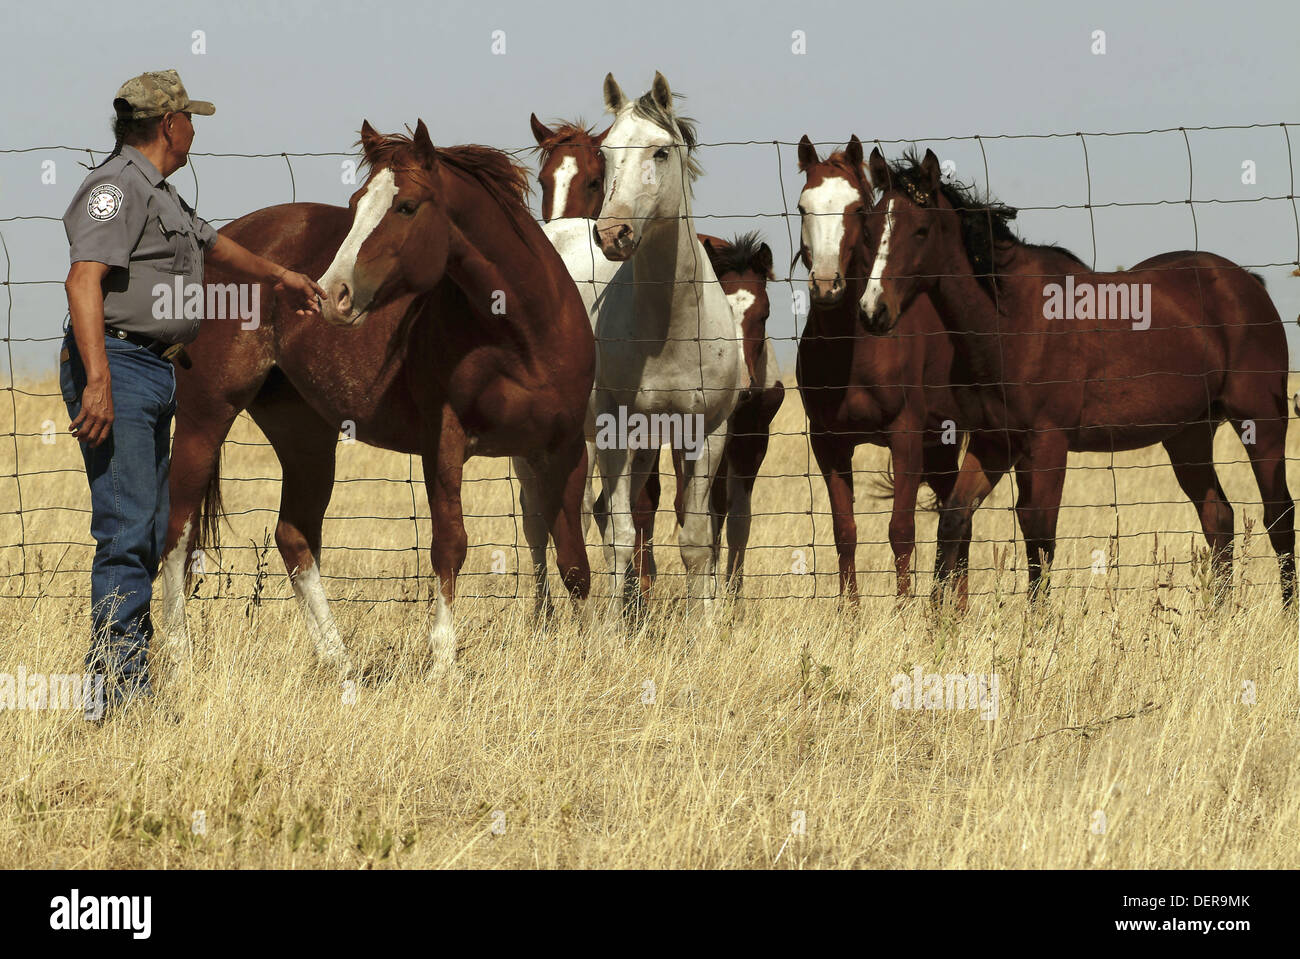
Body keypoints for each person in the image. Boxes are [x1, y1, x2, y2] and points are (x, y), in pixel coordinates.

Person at [61, 69, 323, 717]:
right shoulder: (115, 188)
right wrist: (97, 379)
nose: (195, 130)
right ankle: (117, 693)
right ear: (166, 126)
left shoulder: (162, 194)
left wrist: (282, 275)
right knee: (126, 532)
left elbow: (217, 245)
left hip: (152, 369)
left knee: (148, 530)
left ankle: (127, 676)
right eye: (188, 119)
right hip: (117, 364)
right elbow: (81, 282)